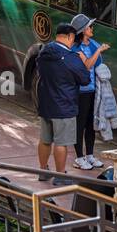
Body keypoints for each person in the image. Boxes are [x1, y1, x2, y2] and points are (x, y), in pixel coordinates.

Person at [35, 23, 90, 181]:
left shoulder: (44, 51)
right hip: (64, 105)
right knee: (61, 142)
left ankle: (43, 171)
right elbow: (85, 79)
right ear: (70, 37)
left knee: (45, 140)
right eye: (73, 39)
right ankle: (60, 175)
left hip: (45, 103)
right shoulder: (71, 57)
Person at [70, 13, 110, 170]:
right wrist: (99, 50)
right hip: (80, 92)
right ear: (82, 30)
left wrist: (97, 51)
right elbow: (87, 65)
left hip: (93, 90)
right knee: (80, 124)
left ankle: (90, 155)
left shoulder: (92, 44)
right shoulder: (75, 47)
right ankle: (79, 157)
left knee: (90, 123)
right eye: (90, 27)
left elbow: (98, 63)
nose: (92, 29)